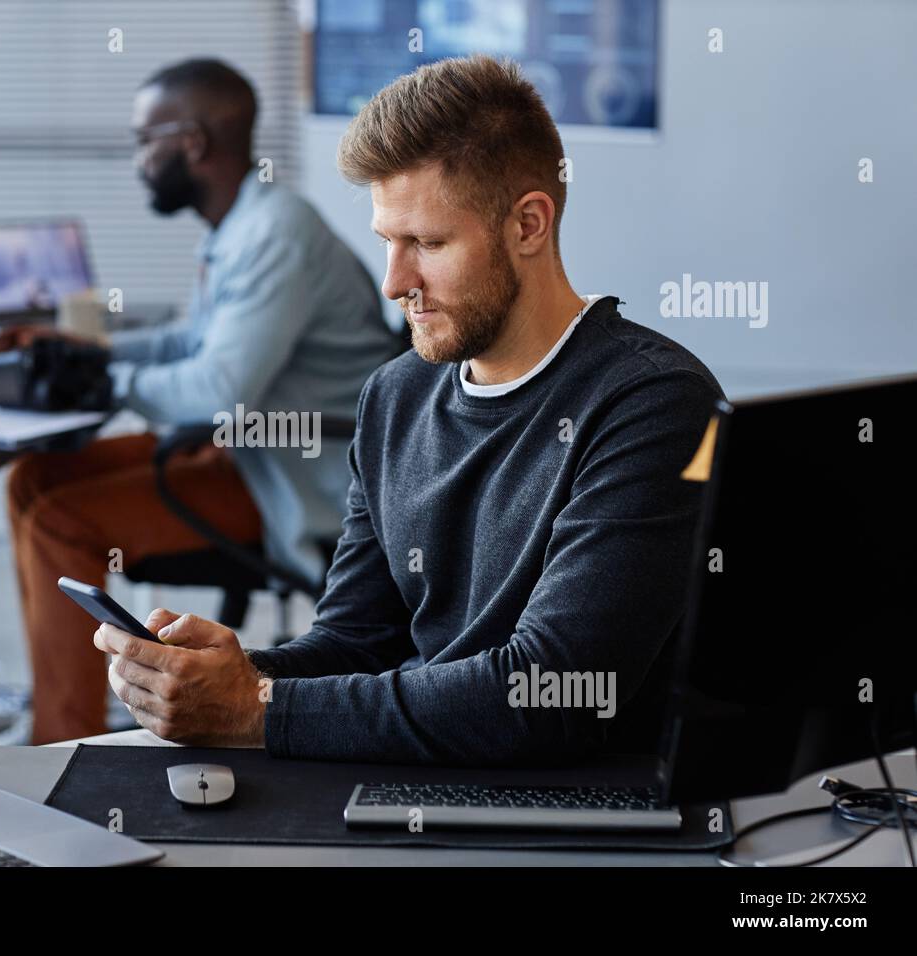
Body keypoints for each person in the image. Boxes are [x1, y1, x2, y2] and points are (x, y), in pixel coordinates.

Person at [93, 55, 727, 765]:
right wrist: (232, 678)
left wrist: (255, 707)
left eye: (427, 243)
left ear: (528, 225)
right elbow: (357, 644)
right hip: (434, 779)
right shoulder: (395, 395)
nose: (396, 284)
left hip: (586, 804)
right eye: (387, 242)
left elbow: (553, 694)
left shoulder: (656, 405)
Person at [6, 59, 399, 745]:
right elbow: (194, 340)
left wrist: (103, 387)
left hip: (305, 476)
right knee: (32, 478)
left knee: (58, 520)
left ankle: (59, 744)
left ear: (190, 141)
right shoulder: (239, 224)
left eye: (143, 140)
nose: (137, 159)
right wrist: (95, 354)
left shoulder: (274, 233)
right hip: (252, 451)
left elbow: (219, 391)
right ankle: (59, 708)